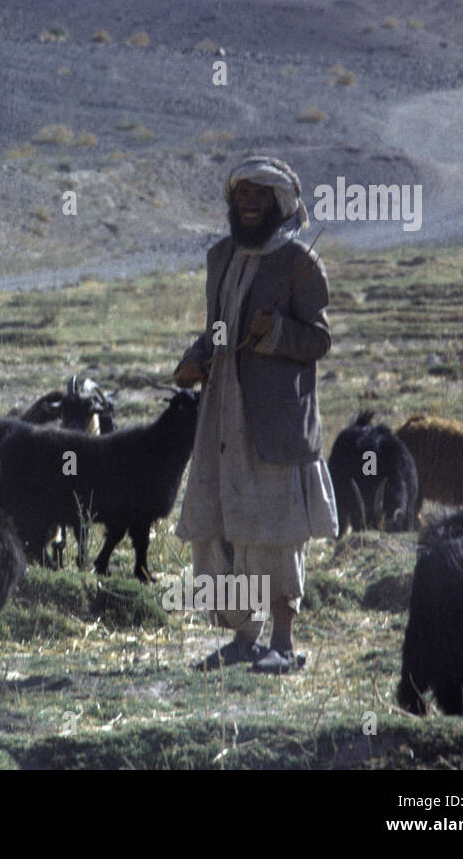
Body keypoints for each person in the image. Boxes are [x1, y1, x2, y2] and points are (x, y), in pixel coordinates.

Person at [172, 156, 339, 675]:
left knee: (277, 527)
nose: (248, 204)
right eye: (242, 195)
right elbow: (219, 328)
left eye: (259, 197)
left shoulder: (299, 263)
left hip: (275, 421)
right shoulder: (220, 256)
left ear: (278, 204)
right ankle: (245, 639)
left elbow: (318, 339)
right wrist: (196, 357)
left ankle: (284, 643)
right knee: (230, 523)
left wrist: (275, 335)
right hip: (221, 413)